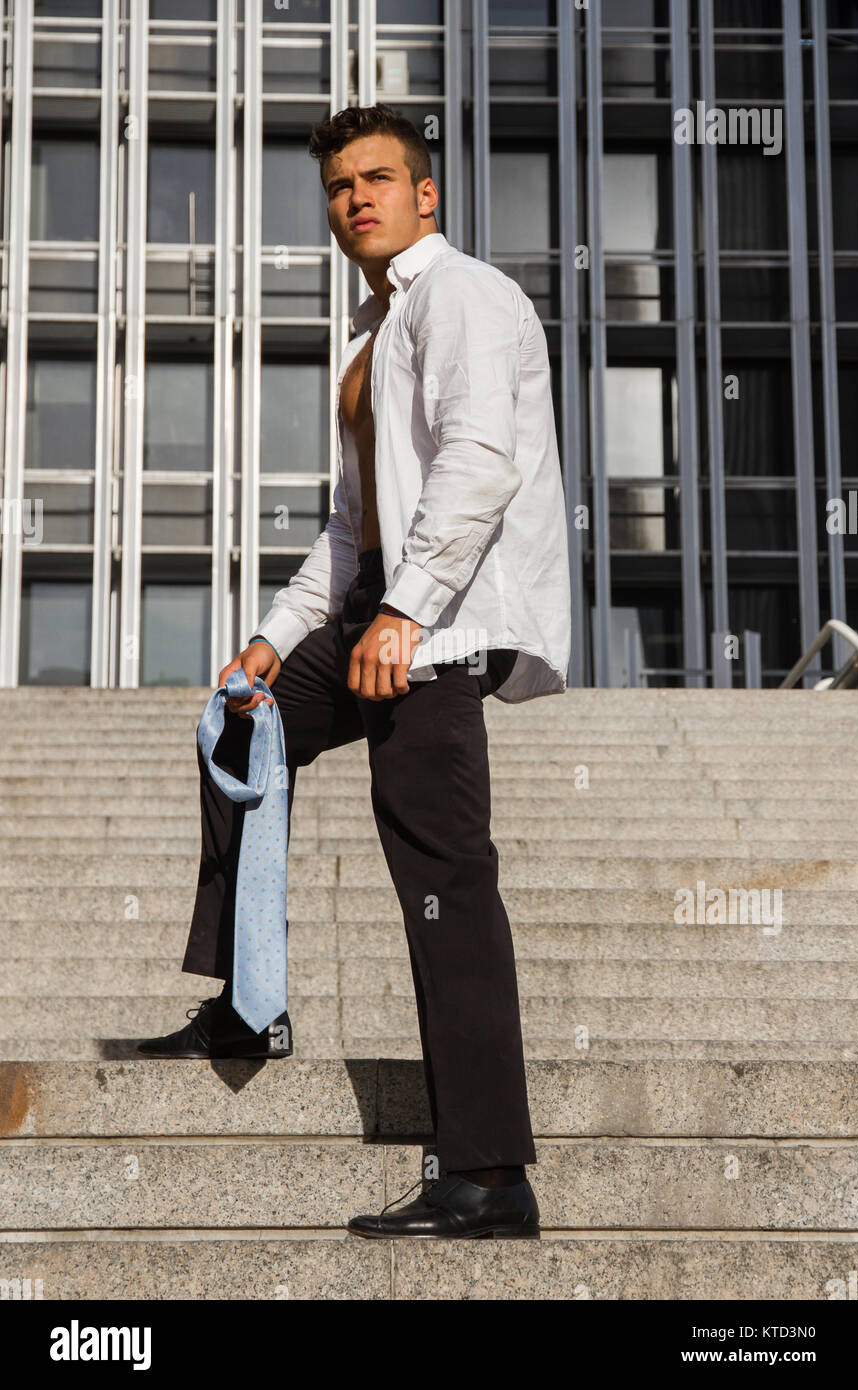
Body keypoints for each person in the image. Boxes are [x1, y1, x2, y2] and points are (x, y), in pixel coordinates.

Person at [138, 104, 571, 1240]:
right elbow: (349, 524)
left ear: (426, 194)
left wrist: (407, 615)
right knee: (246, 719)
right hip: (383, 599)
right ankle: (245, 1004)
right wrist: (275, 638)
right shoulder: (371, 334)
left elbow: (478, 462)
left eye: (378, 178)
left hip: (440, 618)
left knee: (441, 869)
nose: (356, 199)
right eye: (338, 186)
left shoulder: (463, 295)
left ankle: (487, 1173)